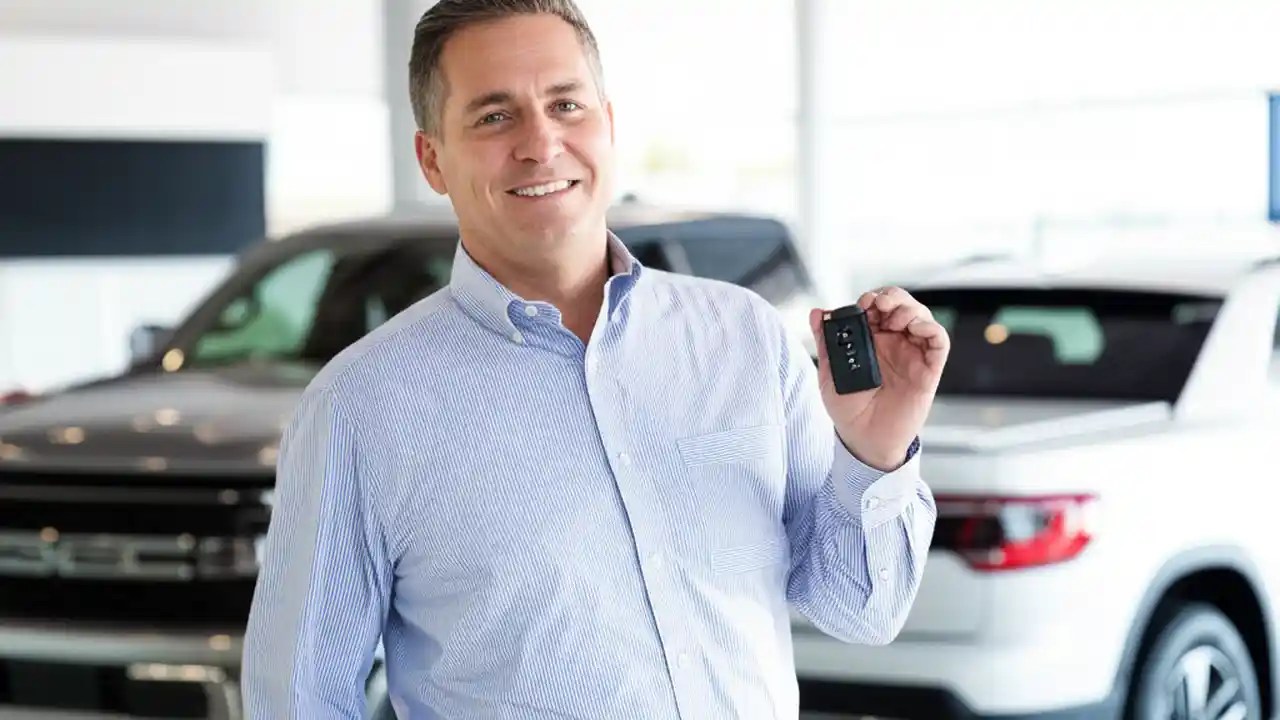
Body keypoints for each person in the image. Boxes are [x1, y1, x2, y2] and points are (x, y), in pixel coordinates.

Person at [240, 0, 948, 717]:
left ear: (607, 123)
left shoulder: (745, 339)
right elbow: (300, 696)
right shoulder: (360, 407)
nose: (541, 142)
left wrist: (875, 451)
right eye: (494, 116)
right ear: (432, 160)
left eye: (565, 104)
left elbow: (862, 611)